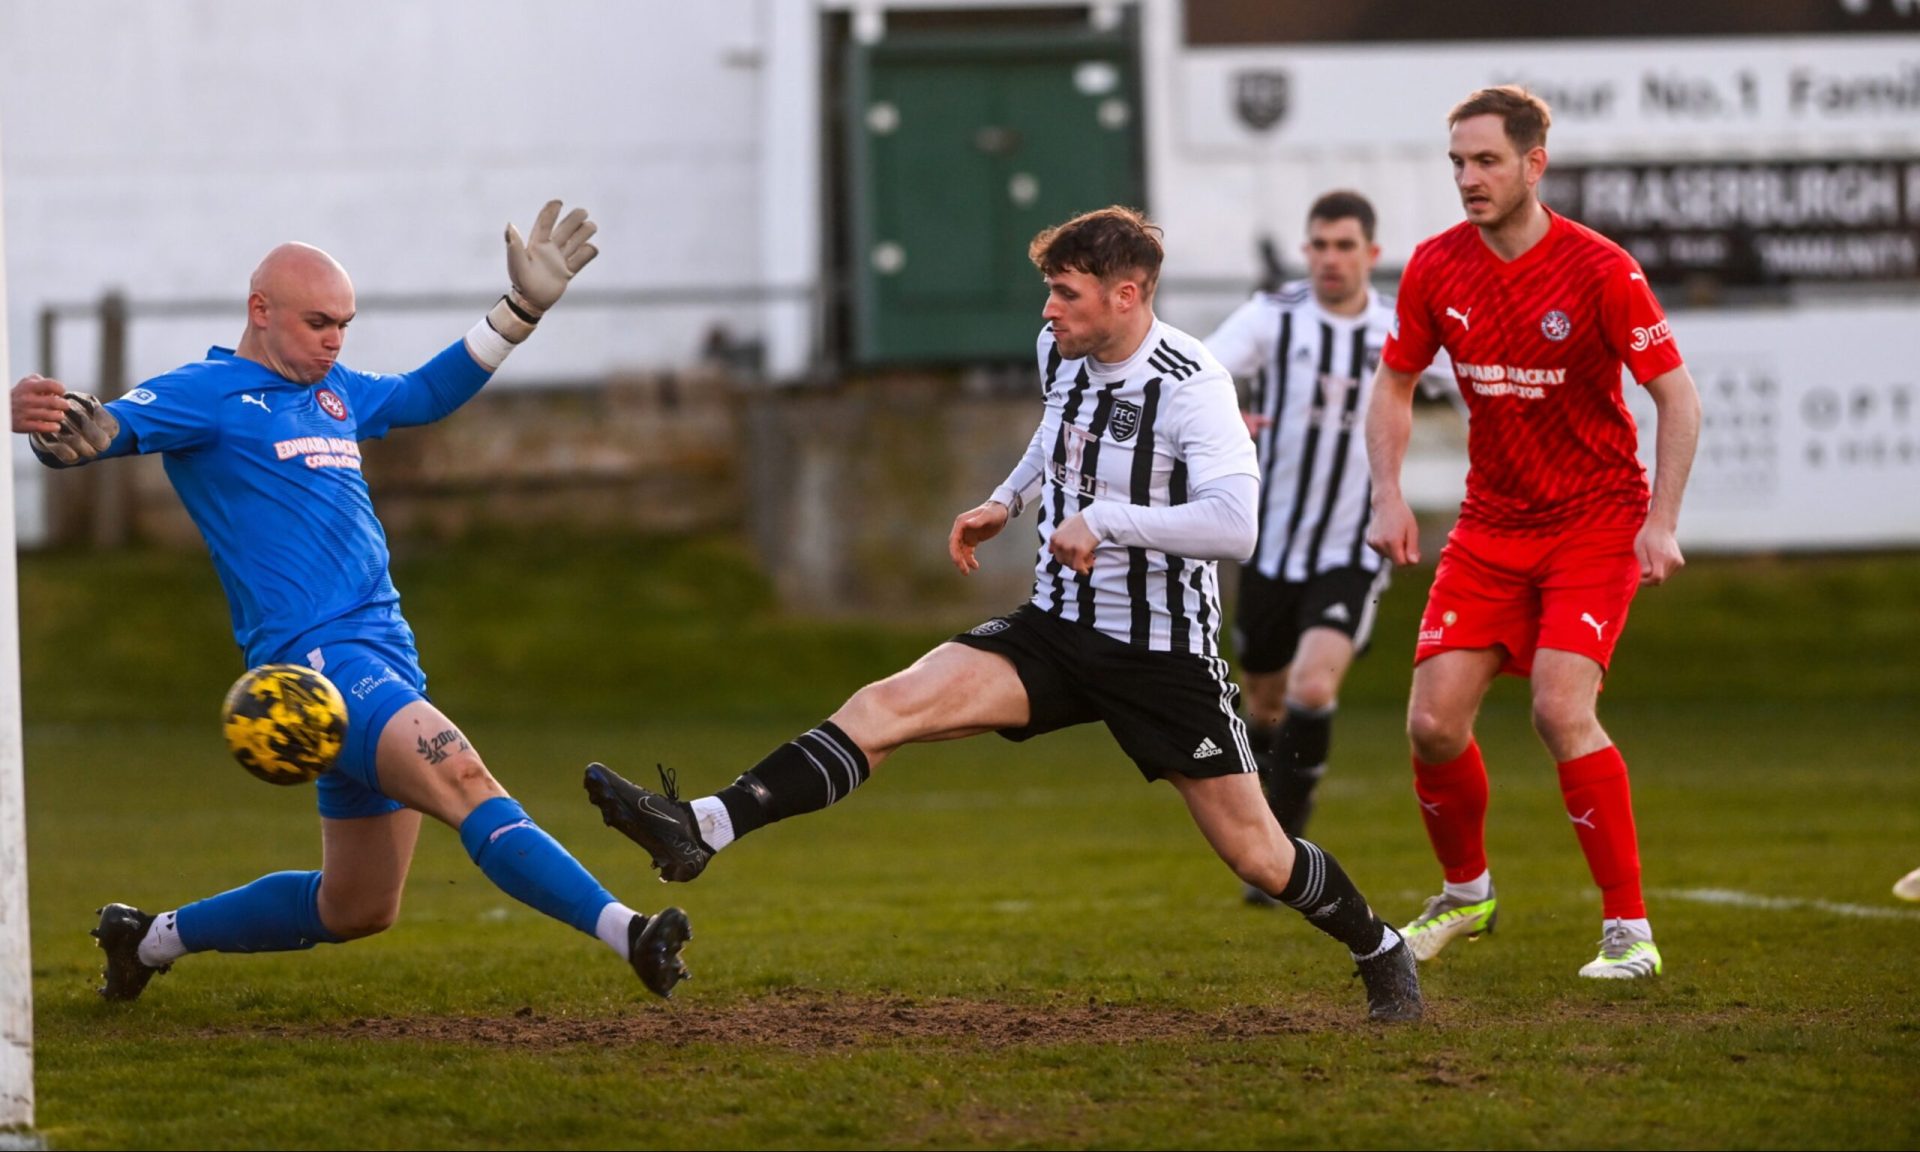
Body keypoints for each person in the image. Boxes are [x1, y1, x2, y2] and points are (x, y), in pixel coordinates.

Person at [582, 206, 1424, 1022]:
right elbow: (1055, 435)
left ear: (1127, 295)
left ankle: (1379, 946)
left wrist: (1110, 521)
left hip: (1161, 656)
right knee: (885, 706)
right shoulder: (1061, 350)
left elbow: (1236, 526)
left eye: (1066, 293)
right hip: (1054, 629)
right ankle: (700, 827)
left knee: (1259, 855)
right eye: (1049, 291)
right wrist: (1006, 499)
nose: (1049, 309)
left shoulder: (1191, 383)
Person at [10, 202, 692, 1002]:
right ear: (260, 310)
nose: (335, 340)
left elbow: (423, 394)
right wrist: (54, 423)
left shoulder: (333, 390)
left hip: (386, 655)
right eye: (318, 323)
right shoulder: (206, 392)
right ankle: (630, 932)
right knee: (466, 780)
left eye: (344, 324)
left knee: (358, 906)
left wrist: (522, 310)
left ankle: (147, 939)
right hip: (319, 666)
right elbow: (104, 431)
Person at [1365, 86, 1702, 980]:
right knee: (1432, 724)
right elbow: (1394, 382)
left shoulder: (1600, 270)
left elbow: (1678, 397)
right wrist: (1388, 495)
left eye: (1487, 161)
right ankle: (1466, 893)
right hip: (1491, 525)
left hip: (1595, 519)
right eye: (1458, 163)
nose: (1468, 179)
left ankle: (1629, 931)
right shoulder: (1437, 267)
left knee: (1559, 708)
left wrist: (1661, 521)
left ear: (1533, 164)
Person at [1205, 191, 1452, 908]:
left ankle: (1283, 844)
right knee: (1265, 698)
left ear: (1371, 255)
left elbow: (1473, 380)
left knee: (1314, 688)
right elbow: (1200, 372)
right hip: (1269, 544)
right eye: (1319, 245)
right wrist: (1223, 413)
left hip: (1353, 545)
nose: (1330, 259)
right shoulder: (1273, 316)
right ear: (1306, 251)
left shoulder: (1398, 328)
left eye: (1345, 246)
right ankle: (1271, 820)